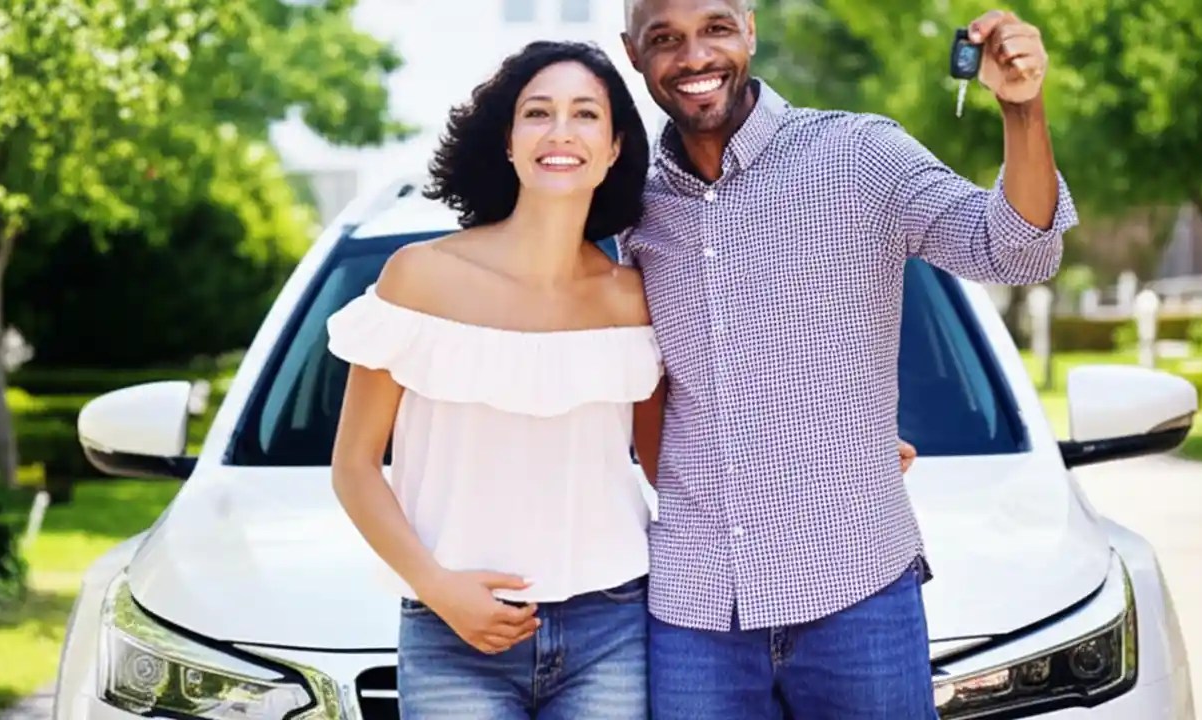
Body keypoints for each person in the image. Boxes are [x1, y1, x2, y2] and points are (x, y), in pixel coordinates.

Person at [619, 1, 1078, 718]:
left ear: (750, 30)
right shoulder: (625, 203)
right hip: (696, 610)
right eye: (665, 39)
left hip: (856, 589)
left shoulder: (859, 156)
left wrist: (1022, 110)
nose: (694, 57)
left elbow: (1016, 250)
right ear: (632, 53)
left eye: (715, 28)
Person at [326, 41, 659, 718]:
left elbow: (674, 459)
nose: (560, 132)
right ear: (508, 141)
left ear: (616, 146)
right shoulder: (419, 278)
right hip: (451, 630)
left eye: (585, 115)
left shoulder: (635, 297)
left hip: (614, 626)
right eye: (538, 113)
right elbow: (354, 466)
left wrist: (833, 457)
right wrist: (436, 587)